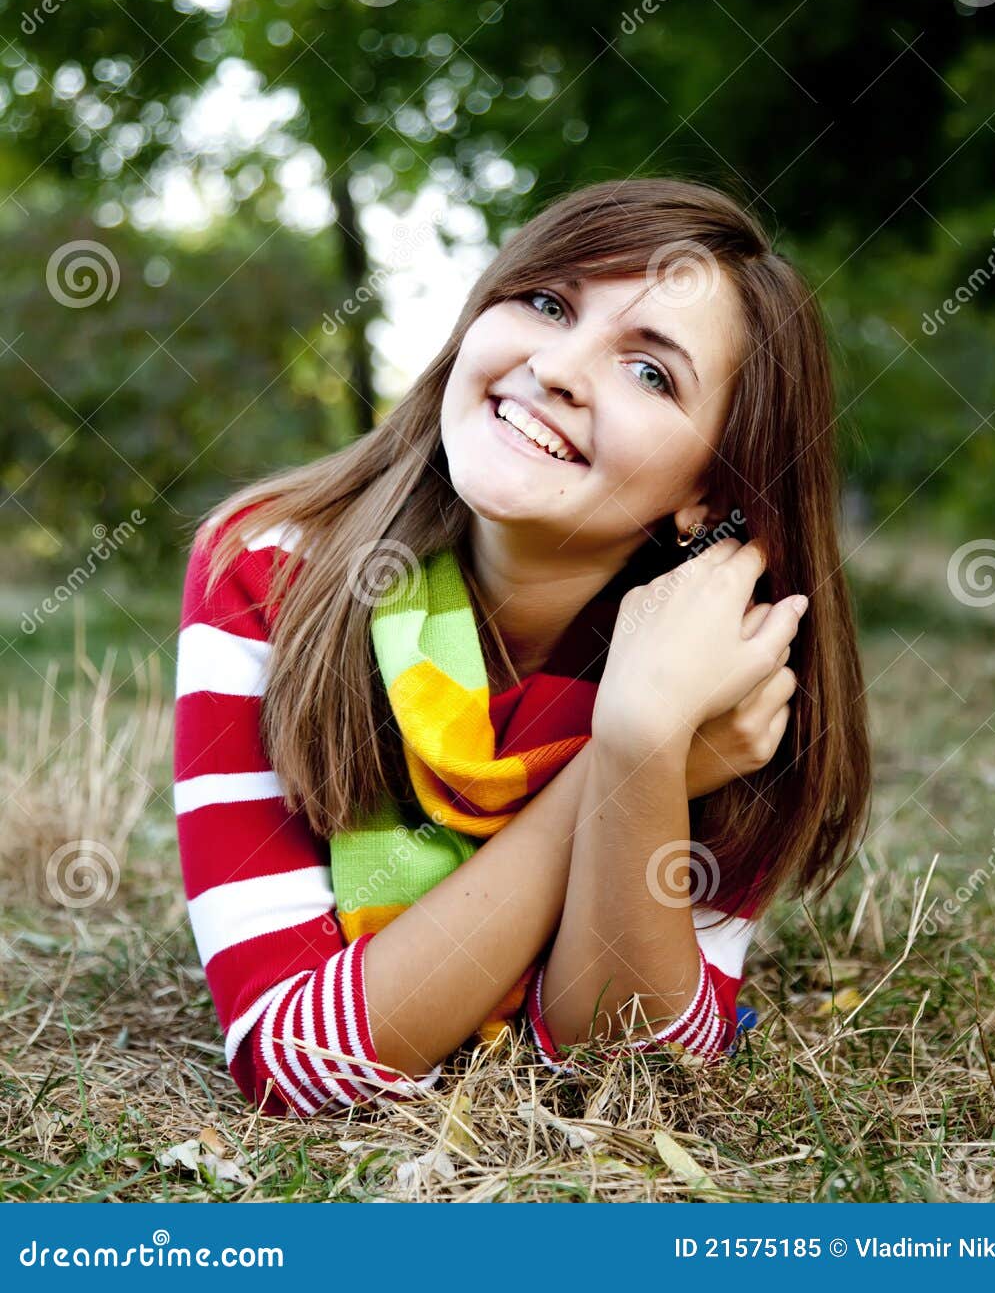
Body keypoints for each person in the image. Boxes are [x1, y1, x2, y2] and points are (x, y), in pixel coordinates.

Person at [174, 177, 870, 1116]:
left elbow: (631, 1067)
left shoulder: (733, 667)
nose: (559, 368)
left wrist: (641, 725)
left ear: (709, 490)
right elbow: (294, 1064)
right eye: (547, 303)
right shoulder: (267, 571)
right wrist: (627, 770)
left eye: (650, 370)